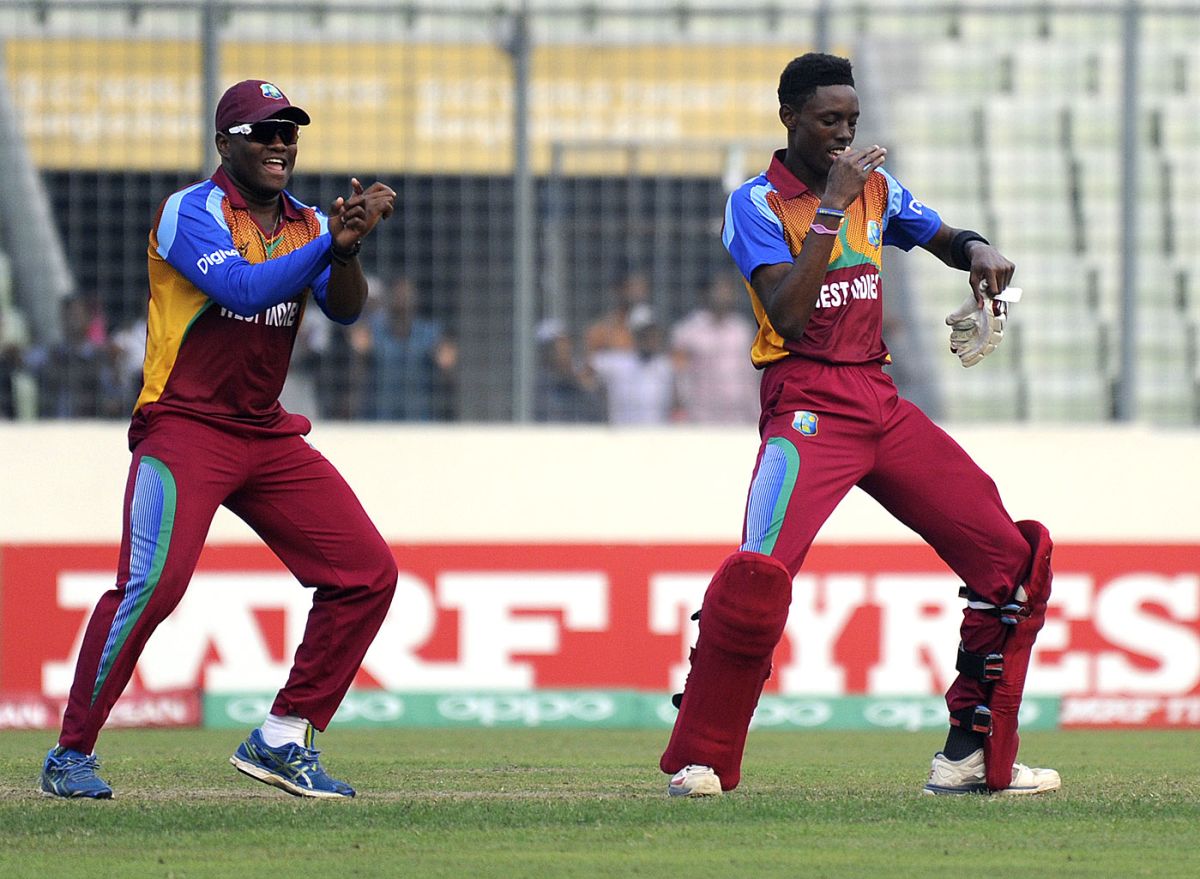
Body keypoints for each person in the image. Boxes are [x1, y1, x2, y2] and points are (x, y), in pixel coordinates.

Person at [660, 53, 1059, 798]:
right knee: (756, 577)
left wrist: (978, 253)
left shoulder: (876, 187)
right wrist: (836, 209)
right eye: (828, 120)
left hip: (878, 396)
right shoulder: (754, 202)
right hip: (807, 403)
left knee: (1009, 560)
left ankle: (969, 755)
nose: (845, 136)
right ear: (790, 119)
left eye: (852, 120)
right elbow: (787, 313)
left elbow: (940, 233)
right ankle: (703, 756)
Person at [39, 79, 399, 800]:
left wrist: (348, 251)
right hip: (184, 426)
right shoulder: (189, 211)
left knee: (366, 572)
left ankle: (282, 736)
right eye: (262, 132)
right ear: (224, 144)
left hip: (264, 430)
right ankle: (69, 753)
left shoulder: (303, 220)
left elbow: (345, 310)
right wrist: (330, 240)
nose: (279, 144)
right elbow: (242, 290)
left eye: (288, 132)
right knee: (154, 586)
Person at [670, 271, 761, 424]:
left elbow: (751, 375)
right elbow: (679, 376)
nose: (724, 294)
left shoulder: (741, 329)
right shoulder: (687, 331)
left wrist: (756, 413)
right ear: (705, 293)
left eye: (728, 289)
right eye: (719, 288)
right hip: (701, 417)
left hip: (740, 418)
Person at [362, 276, 457, 421]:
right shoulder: (373, 331)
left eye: (407, 295)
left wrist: (445, 363)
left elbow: (447, 370)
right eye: (398, 295)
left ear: (416, 300)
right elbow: (359, 367)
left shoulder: (430, 334)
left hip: (419, 418)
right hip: (379, 417)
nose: (402, 299)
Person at [590, 304, 677, 425]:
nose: (649, 338)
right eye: (644, 334)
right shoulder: (614, 363)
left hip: (657, 438)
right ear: (634, 334)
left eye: (652, 333)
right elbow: (586, 372)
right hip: (622, 438)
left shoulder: (666, 366)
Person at [533, 318, 604, 423]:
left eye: (563, 341)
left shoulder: (585, 371)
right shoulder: (543, 383)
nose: (561, 348)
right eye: (554, 344)